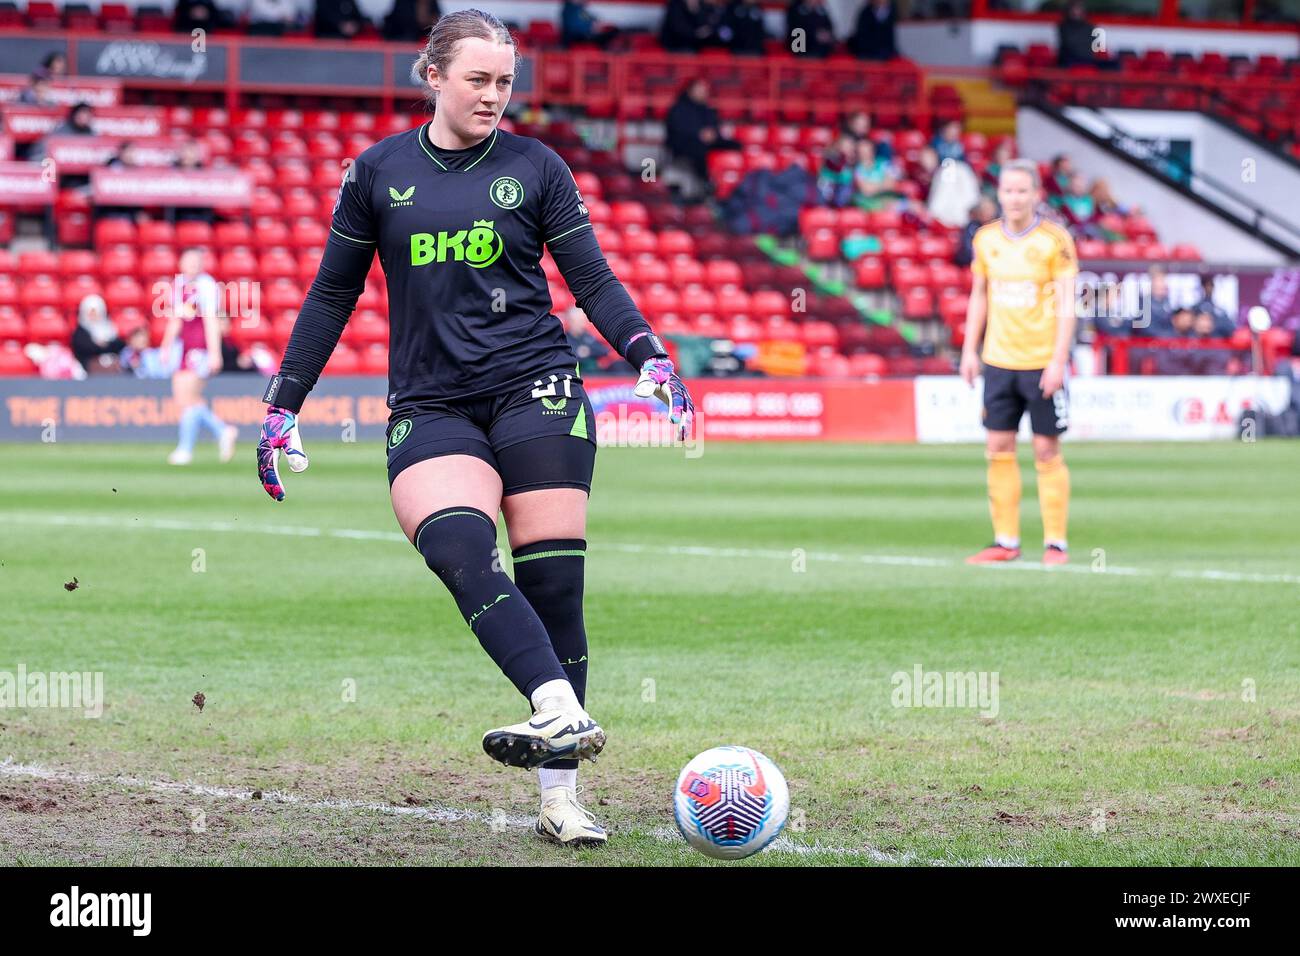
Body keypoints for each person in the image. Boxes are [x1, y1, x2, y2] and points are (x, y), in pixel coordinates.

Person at [253, 9, 694, 847]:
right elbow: (329, 295)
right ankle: (560, 708)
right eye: (478, 80)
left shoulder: (536, 165)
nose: (494, 96)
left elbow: (590, 277)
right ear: (433, 76)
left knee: (554, 587)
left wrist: (648, 354)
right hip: (430, 404)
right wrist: (284, 401)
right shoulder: (378, 173)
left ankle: (561, 799)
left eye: (504, 82)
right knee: (457, 549)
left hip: (540, 388)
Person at [960, 159, 1078, 566]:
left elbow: (1067, 303)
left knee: (1046, 451)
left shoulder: (1055, 241)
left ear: (1036, 194)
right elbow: (979, 295)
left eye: (1021, 191)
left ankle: (1055, 544)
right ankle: (1005, 540)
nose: (1014, 198)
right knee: (998, 446)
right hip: (998, 361)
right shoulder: (986, 239)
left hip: (1042, 362)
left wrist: (1058, 360)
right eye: (1007, 191)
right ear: (999, 195)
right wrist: (968, 351)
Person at [159, 248, 239, 466]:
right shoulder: (179, 285)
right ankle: (222, 431)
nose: (192, 266)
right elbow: (176, 318)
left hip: (200, 347)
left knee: (189, 397)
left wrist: (215, 352)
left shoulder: (206, 285)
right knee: (183, 397)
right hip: (184, 347)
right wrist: (166, 346)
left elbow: (211, 319)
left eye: (196, 262)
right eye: (188, 262)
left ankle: (186, 449)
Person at [664, 77, 741, 187]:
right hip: (685, 144)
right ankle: (705, 182)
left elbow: (715, 127)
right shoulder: (678, 108)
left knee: (735, 145)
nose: (703, 92)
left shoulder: (707, 108)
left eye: (704, 90)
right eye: (699, 89)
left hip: (708, 142)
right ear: (690, 90)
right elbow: (678, 130)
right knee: (699, 150)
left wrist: (713, 134)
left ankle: (732, 183)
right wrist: (698, 134)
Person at [70, 294, 126, 374]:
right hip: (88, 372)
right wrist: (104, 346)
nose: (93, 315)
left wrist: (103, 345)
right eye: (91, 312)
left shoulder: (110, 328)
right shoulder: (80, 331)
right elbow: (85, 348)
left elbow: (119, 345)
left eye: (96, 312)